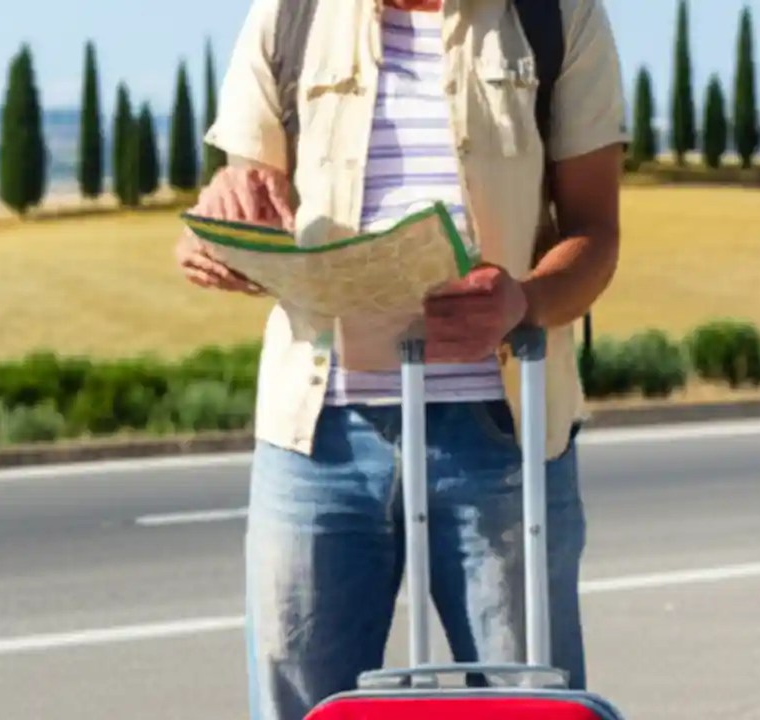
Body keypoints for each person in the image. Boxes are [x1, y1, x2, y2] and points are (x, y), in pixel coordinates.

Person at [174, 0, 625, 718]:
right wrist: (221, 231)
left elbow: (596, 234)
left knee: (530, 705)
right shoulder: (288, 13)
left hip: (500, 437)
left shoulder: (555, 14)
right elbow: (250, 197)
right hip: (316, 439)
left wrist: (523, 302)